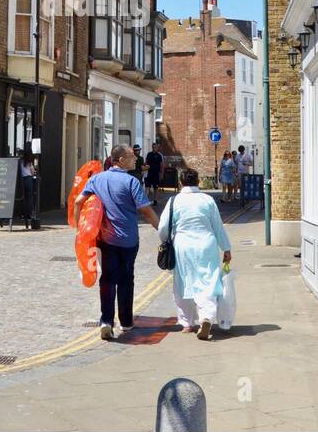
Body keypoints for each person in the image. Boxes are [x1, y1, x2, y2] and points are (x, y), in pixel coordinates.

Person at [81, 144, 159, 340]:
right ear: (121, 160)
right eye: (132, 157)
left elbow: (77, 202)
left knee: (107, 279)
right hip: (128, 240)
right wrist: (162, 229)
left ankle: (106, 321)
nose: (136, 159)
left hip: (105, 239)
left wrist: (79, 228)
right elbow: (146, 211)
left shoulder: (96, 179)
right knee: (126, 279)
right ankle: (125, 322)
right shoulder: (132, 182)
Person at [159, 168, 232, 340]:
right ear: (198, 182)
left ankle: (187, 323)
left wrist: (164, 240)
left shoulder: (174, 201)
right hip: (207, 244)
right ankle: (206, 316)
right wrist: (226, 248)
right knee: (208, 282)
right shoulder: (207, 200)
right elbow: (218, 226)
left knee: (183, 283)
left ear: (180, 182)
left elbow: (163, 227)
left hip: (183, 246)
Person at [18, 149, 37, 224]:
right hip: (28, 179)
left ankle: (22, 214)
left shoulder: (20, 162)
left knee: (23, 198)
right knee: (29, 198)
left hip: (22, 180)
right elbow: (32, 172)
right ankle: (28, 214)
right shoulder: (29, 162)